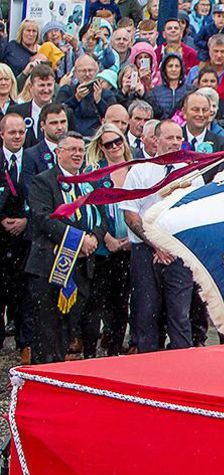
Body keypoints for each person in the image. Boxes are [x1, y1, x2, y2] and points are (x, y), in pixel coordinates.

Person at [121, 120, 204, 353]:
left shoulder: (192, 173)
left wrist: (172, 245)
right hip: (145, 251)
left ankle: (181, 369)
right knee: (148, 313)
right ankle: (149, 367)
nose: (175, 143)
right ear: (156, 140)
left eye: (179, 138)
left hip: (180, 251)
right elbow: (130, 214)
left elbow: (197, 214)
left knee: (180, 315)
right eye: (170, 138)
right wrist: (156, 244)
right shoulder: (139, 171)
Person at [25, 132, 106, 364]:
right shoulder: (44, 181)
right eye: (72, 149)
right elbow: (44, 219)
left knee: (68, 329)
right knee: (47, 331)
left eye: (81, 150)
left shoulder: (89, 184)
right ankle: (45, 377)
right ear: (58, 152)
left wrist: (93, 238)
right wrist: (80, 239)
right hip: (49, 269)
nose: (77, 154)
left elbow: (102, 220)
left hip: (82, 269)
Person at [83, 123, 133, 357]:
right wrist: (107, 237)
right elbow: (90, 211)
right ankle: (90, 351)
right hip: (104, 247)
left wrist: (133, 237)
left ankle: (114, 349)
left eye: (118, 141)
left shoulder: (136, 169)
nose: (114, 147)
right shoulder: (95, 174)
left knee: (121, 303)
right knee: (97, 301)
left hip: (130, 245)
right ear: (101, 148)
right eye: (108, 144)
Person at [0, 113, 32, 364]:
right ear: (2, 134)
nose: (17, 136)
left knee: (24, 294)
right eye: (12, 132)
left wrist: (25, 221)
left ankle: (25, 344)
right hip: (0, 238)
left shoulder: (32, 159)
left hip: (25, 239)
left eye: (21, 132)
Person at [21, 103, 68, 184]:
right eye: (54, 123)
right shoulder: (32, 155)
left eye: (63, 122)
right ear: (43, 125)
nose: (60, 127)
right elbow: (29, 189)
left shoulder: (76, 151)